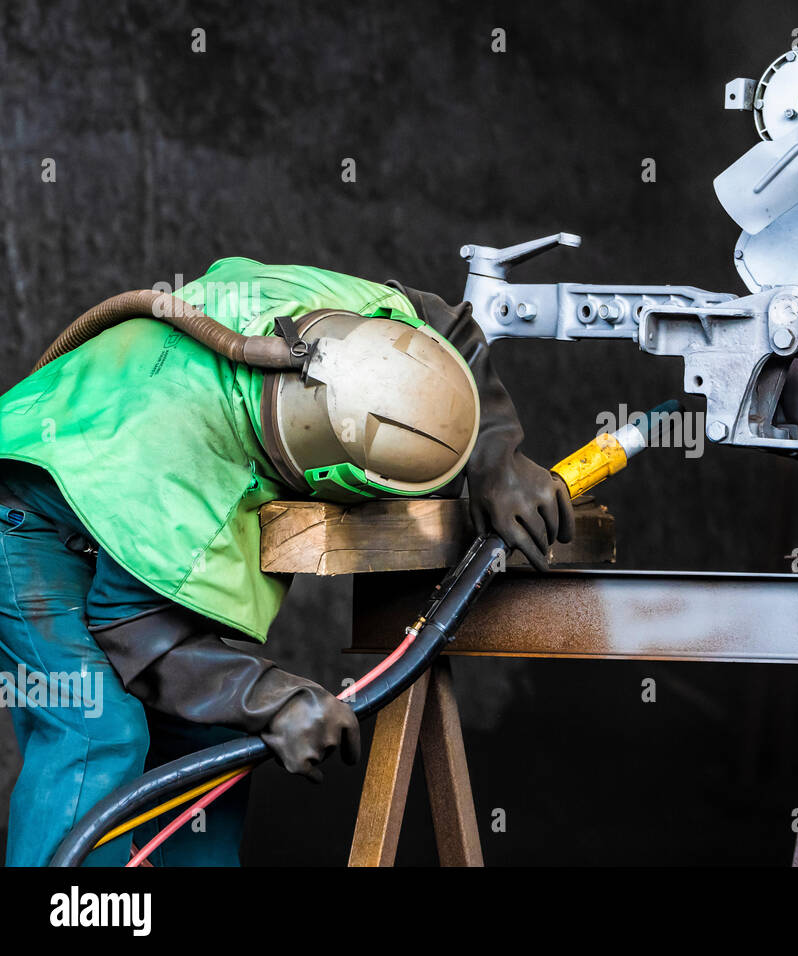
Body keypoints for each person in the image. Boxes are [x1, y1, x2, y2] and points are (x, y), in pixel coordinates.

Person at [0, 256, 573, 865]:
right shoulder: (186, 464)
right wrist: (271, 699)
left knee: (204, 742)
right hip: (27, 520)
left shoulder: (348, 316)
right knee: (98, 734)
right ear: (323, 476)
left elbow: (447, 328)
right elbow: (136, 633)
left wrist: (495, 458)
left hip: (108, 471)